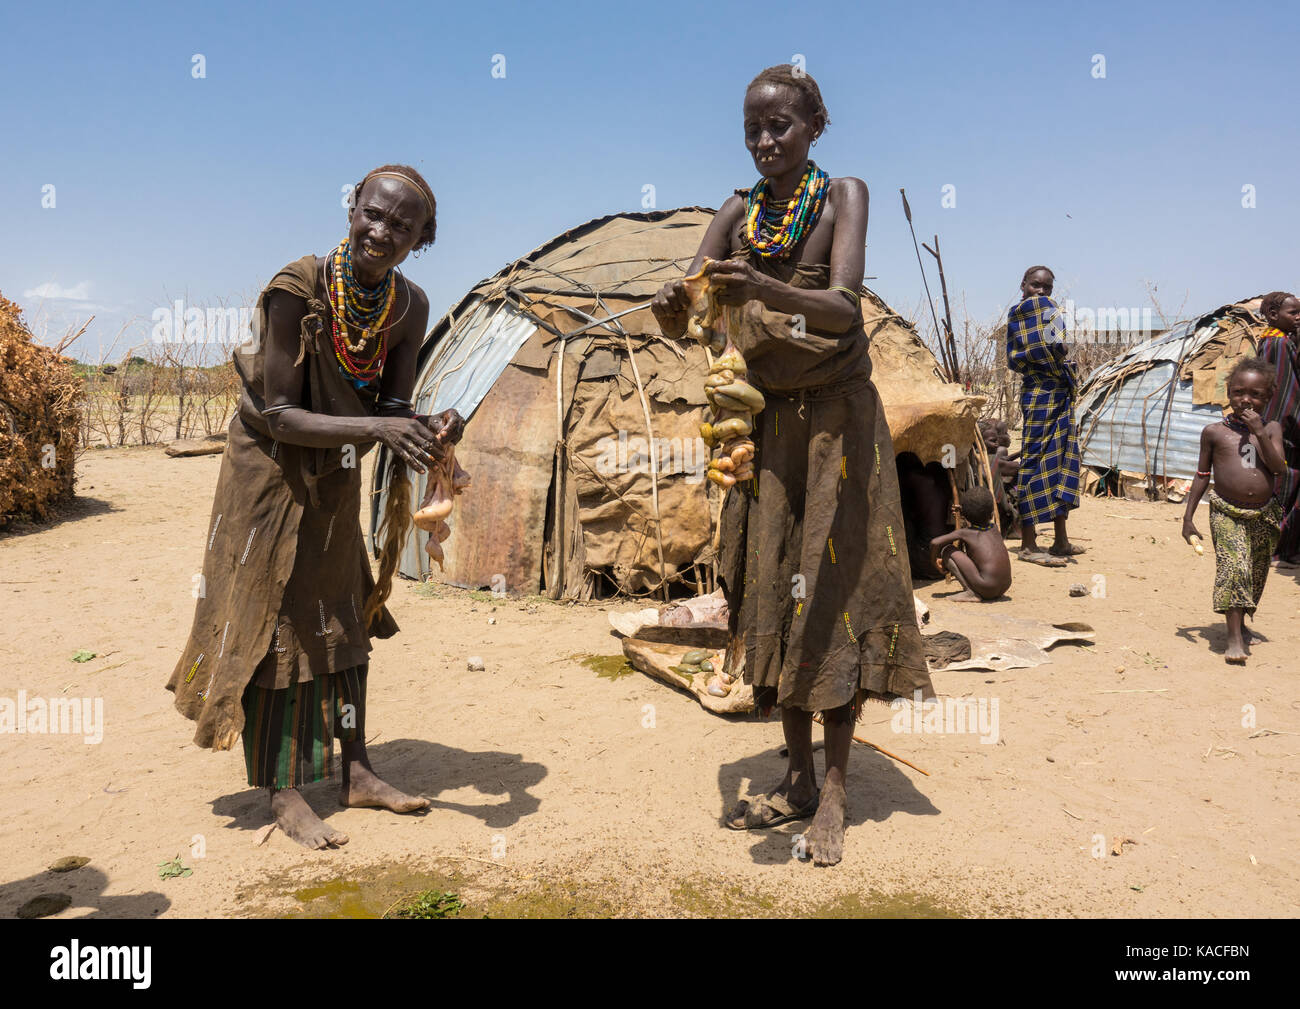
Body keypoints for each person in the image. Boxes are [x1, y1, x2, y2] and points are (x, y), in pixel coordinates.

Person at [651, 66, 931, 866]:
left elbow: (844, 306)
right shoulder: (735, 212)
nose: (766, 140)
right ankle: (799, 776)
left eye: (780, 125)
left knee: (833, 593)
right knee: (772, 582)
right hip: (763, 428)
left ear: (816, 123)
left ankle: (836, 792)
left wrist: (765, 285)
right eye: (753, 129)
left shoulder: (843, 194)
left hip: (838, 425)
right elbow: (690, 305)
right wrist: (680, 304)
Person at [167, 164, 464, 849]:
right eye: (374, 214)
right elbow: (278, 411)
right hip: (268, 470)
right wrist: (380, 429)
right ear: (352, 205)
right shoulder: (296, 289)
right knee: (275, 619)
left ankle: (357, 770)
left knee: (341, 611)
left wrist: (429, 426)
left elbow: (389, 407)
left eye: (402, 225)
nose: (381, 232)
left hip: (338, 467)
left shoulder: (408, 307)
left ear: (423, 238)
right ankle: (284, 790)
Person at [1181, 358, 1284, 664]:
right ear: (1228, 392)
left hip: (1264, 514)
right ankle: (1234, 638)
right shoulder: (1214, 432)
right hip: (1225, 511)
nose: (1246, 400)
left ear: (1267, 398)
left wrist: (1259, 432)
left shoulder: (1272, 429)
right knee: (1234, 568)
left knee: (1255, 574)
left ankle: (1240, 623)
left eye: (1255, 394)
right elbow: (1202, 475)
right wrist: (1188, 518)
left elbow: (1278, 468)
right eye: (1239, 392)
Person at [1006, 266, 1082, 566]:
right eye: (1035, 285)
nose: (1041, 292)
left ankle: (1061, 540)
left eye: (1047, 288)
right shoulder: (1024, 313)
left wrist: (1060, 352)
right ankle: (1028, 543)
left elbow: (1056, 347)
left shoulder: (1049, 311)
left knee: (1061, 460)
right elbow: (1049, 348)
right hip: (1039, 394)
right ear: (1023, 285)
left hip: (1059, 394)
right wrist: (1059, 351)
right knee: (1035, 462)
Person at [1253, 291, 1300, 565]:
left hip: (1282, 428)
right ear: (1273, 315)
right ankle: (1280, 550)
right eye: (1293, 313)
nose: (1298, 317)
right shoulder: (1277, 345)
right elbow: (1286, 391)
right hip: (1286, 429)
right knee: (1284, 488)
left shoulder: (1278, 341)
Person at [928, 488, 1012, 601]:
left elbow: (935, 543)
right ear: (992, 514)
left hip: (987, 588)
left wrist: (934, 562)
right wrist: (964, 512)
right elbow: (976, 522)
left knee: (948, 550)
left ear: (964, 514)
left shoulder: (966, 533)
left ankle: (970, 592)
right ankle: (977, 590)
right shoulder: (994, 528)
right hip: (1005, 586)